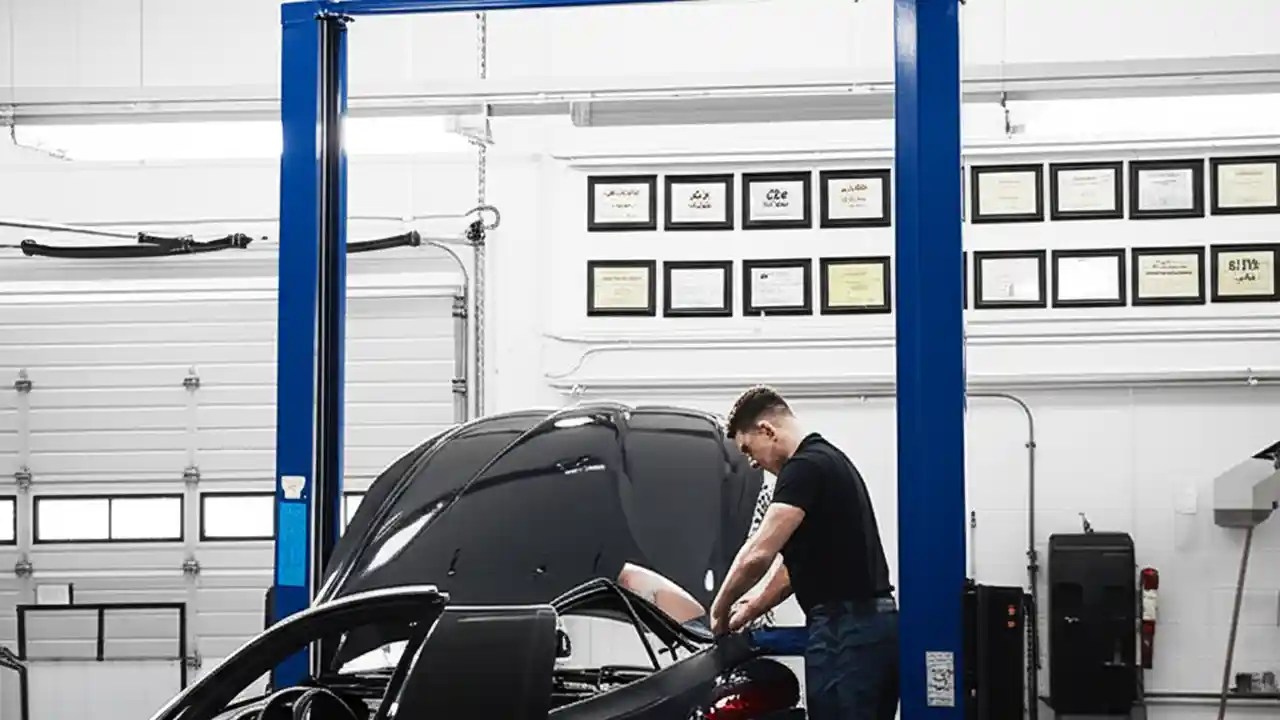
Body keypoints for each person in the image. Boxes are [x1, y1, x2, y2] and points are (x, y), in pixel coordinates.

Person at [708, 385, 899, 720]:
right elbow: (795, 569)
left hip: (844, 631)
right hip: (870, 627)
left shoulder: (803, 468)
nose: (752, 463)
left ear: (767, 430)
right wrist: (750, 608)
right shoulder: (830, 461)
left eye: (748, 450)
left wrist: (719, 611)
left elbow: (757, 554)